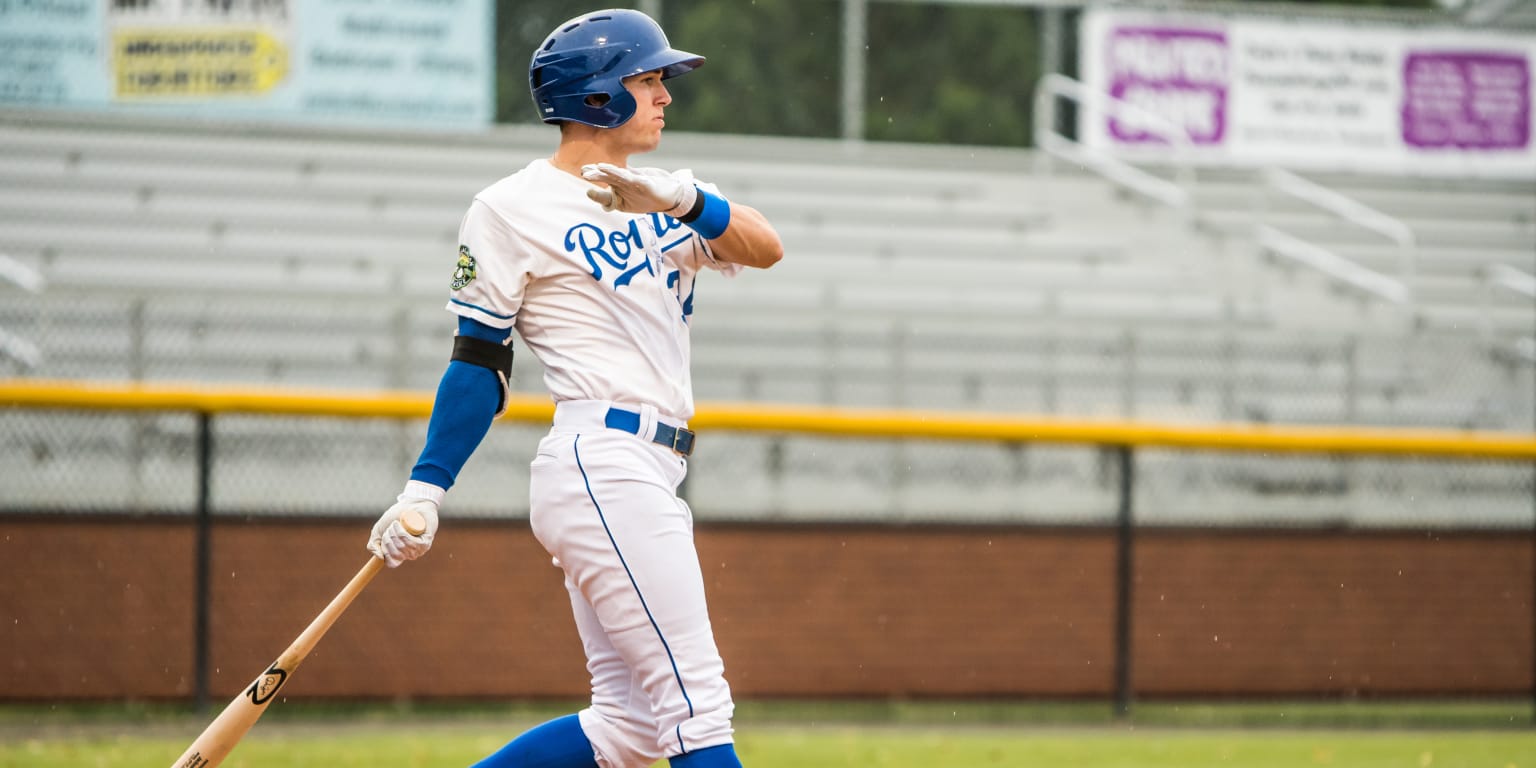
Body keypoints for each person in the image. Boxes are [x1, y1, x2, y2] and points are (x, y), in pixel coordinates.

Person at [366, 8, 782, 768]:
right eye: (648, 79)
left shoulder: (667, 192)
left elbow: (765, 246)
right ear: (598, 97)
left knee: (628, 728)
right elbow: (478, 359)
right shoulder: (509, 207)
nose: (664, 96)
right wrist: (427, 485)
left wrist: (682, 199)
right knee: (697, 704)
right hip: (603, 460)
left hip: (646, 467)